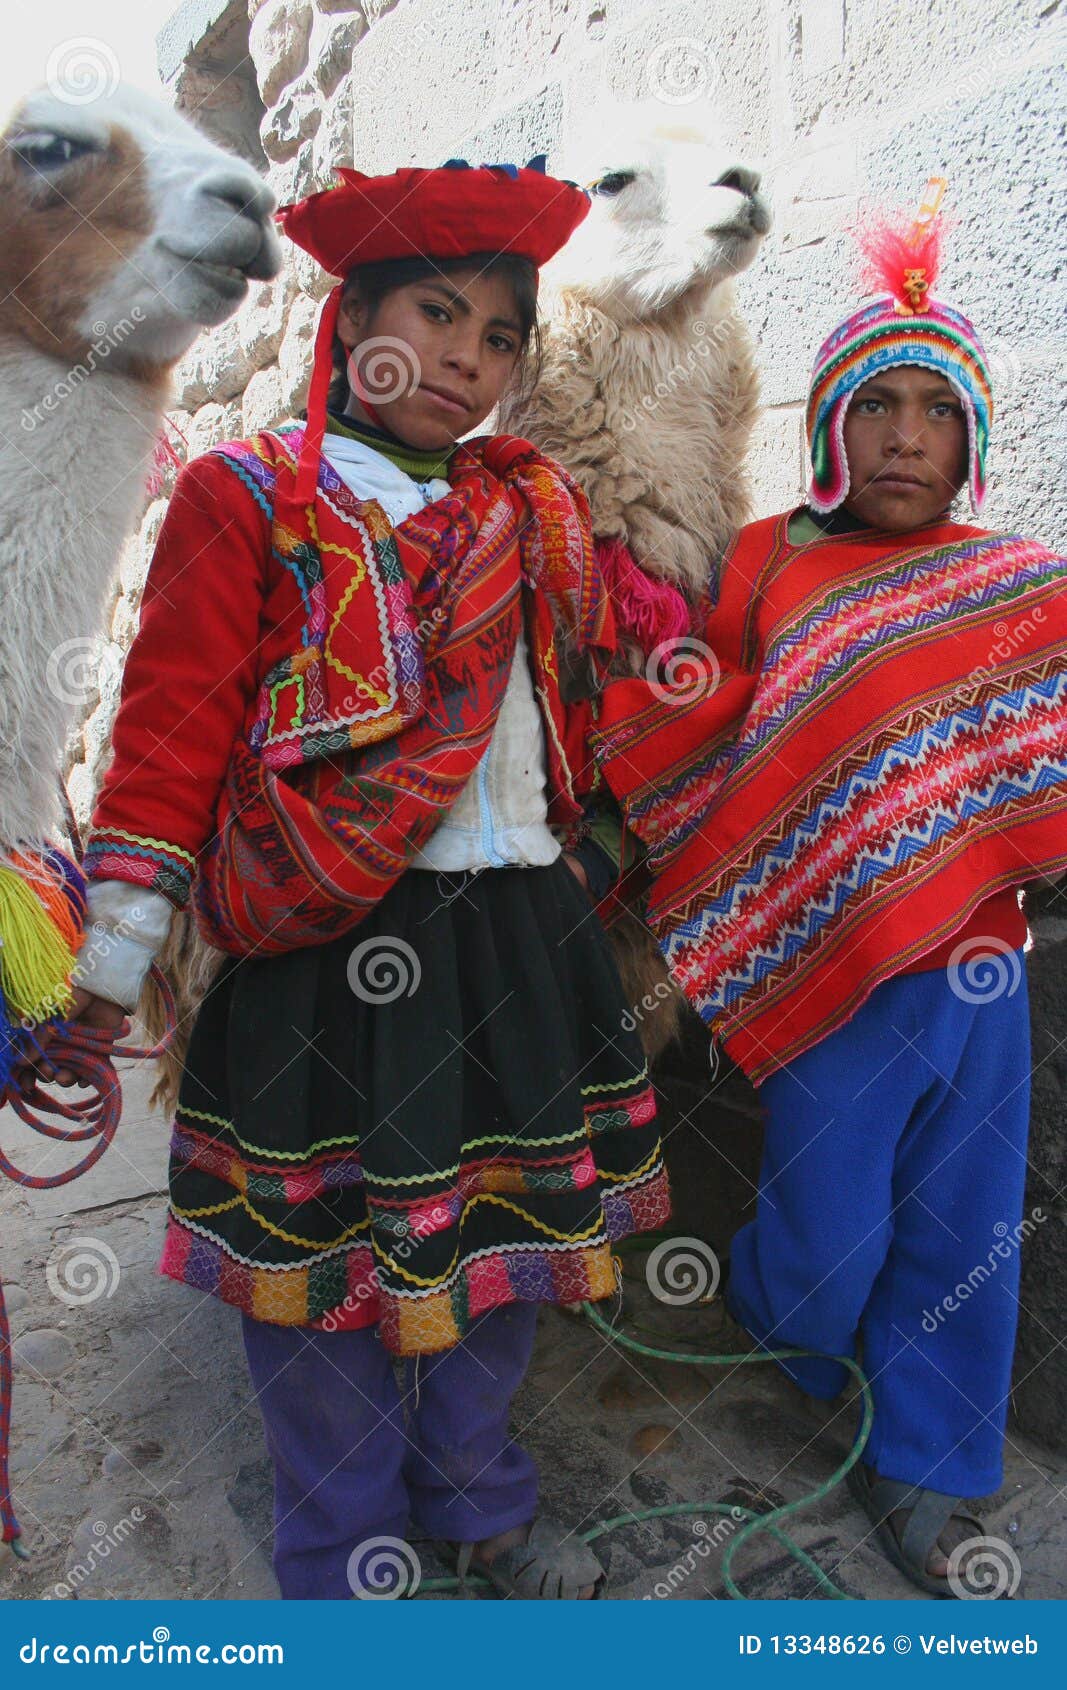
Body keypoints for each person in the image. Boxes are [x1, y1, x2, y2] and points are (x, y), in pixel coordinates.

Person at [39, 158, 670, 1600]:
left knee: (505, 1237)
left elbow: (582, 707)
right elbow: (174, 734)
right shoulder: (254, 498)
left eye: (500, 335)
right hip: (324, 945)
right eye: (436, 314)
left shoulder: (532, 510)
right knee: (316, 1272)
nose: (467, 359)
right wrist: (114, 957)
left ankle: (476, 1491)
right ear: (354, 317)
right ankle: (341, 1548)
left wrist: (600, 857)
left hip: (517, 932)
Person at [590, 202, 1067, 1595]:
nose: (906, 437)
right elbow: (698, 715)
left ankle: (928, 1464)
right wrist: (624, 748)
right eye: (875, 406)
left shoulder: (1021, 583)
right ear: (828, 427)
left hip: (981, 972)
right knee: (827, 1241)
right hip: (825, 974)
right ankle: (780, 1316)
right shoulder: (769, 563)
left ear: (973, 439)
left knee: (963, 1231)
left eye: (938, 410)